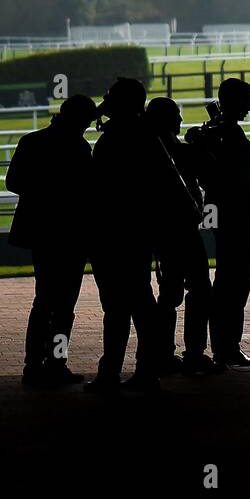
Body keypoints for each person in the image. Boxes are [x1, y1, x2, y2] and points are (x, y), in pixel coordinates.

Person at [185, 77, 250, 369]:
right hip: (238, 216)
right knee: (235, 284)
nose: (249, 107)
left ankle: (221, 347)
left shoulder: (214, 130)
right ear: (233, 102)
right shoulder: (229, 131)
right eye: (245, 101)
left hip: (222, 214)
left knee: (226, 282)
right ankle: (228, 347)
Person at [6, 94, 100, 388]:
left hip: (42, 234)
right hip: (70, 236)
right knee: (63, 307)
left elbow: (14, 183)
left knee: (44, 301)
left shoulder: (32, 141)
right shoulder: (80, 147)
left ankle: (34, 365)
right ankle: (55, 363)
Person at [86, 77, 159, 395]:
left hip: (113, 233)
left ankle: (113, 371)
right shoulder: (145, 134)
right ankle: (143, 369)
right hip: (136, 232)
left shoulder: (116, 137)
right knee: (139, 303)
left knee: (119, 307)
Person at [145, 96, 218, 377]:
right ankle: (193, 352)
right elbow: (210, 170)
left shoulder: (154, 147)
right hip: (180, 229)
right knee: (198, 288)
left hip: (165, 230)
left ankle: (166, 352)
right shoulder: (168, 149)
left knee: (171, 292)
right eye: (176, 114)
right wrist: (203, 146)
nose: (180, 119)